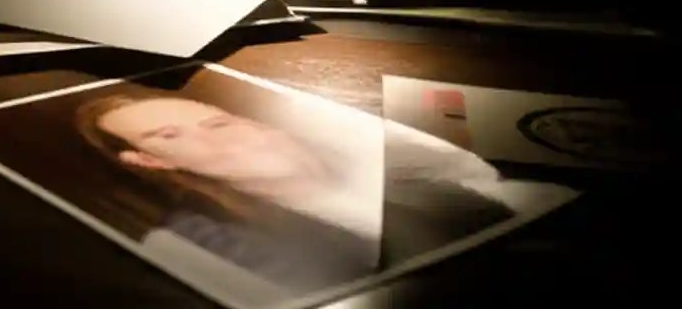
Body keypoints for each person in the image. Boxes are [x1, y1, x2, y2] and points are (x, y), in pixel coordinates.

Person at [75, 86, 533, 292]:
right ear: (150, 161)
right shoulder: (204, 242)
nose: (218, 136)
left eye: (217, 121)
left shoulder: (403, 169)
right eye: (170, 136)